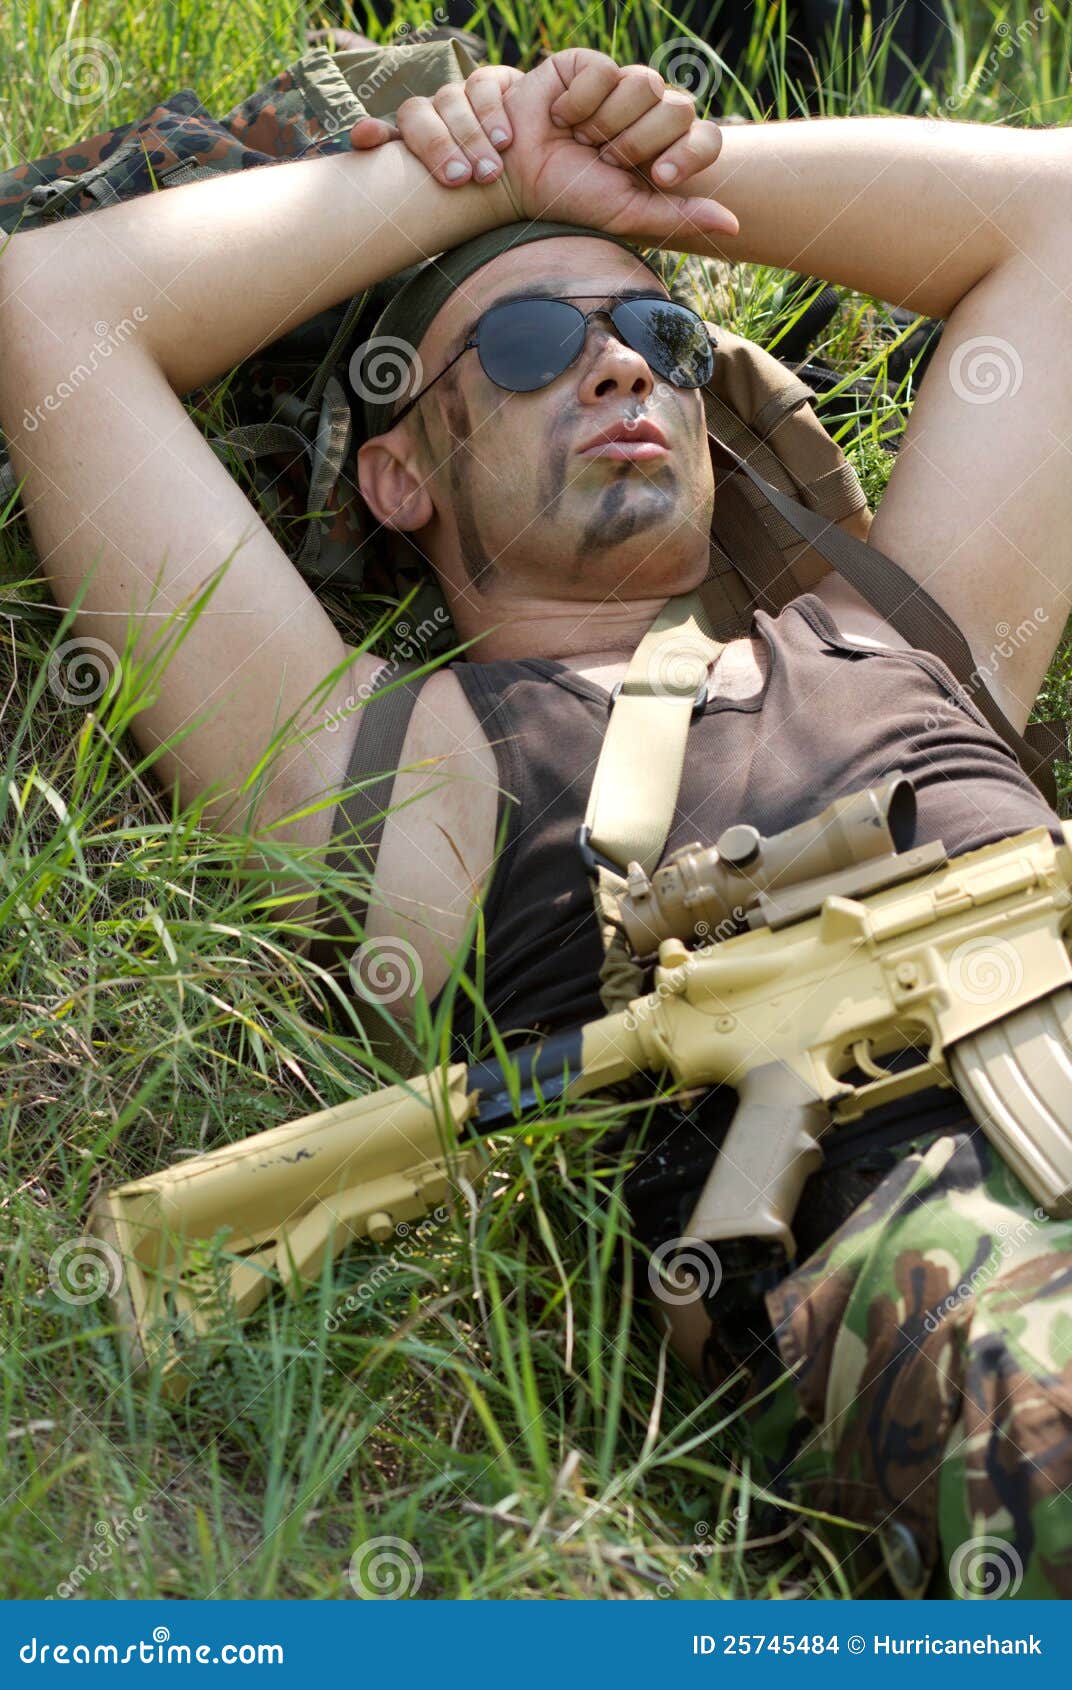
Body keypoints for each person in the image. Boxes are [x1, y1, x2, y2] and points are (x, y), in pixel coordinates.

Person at [3, 48, 1072, 1598]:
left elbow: (1059, 213)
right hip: (972, 1285)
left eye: (659, 334)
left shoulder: (913, 629)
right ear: (397, 471)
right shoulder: (405, 778)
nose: (626, 369)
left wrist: (672, 168)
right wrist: (493, 173)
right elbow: (59, 311)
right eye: (520, 343)